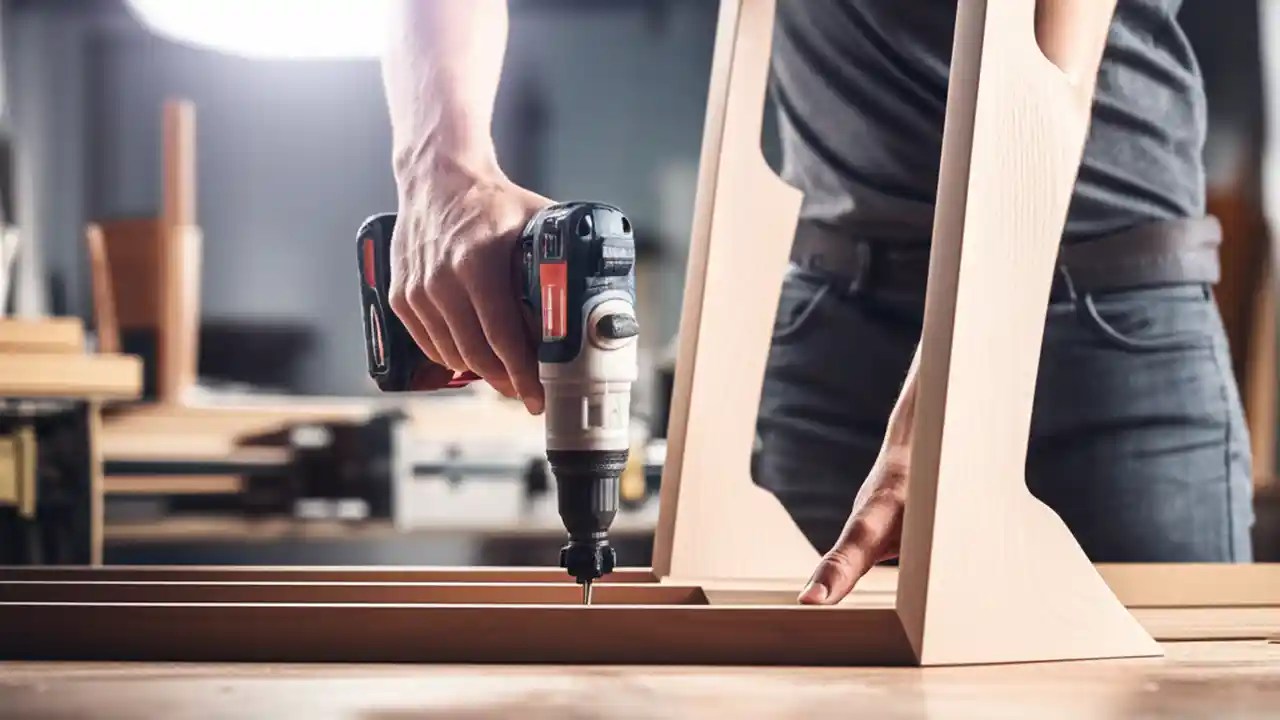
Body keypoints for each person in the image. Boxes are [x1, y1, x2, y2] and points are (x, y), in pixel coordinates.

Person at [380, 1, 1255, 606]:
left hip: (1103, 315)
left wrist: (966, 356)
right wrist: (440, 167)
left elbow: (1039, 80)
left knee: (1166, 688)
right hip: (834, 318)